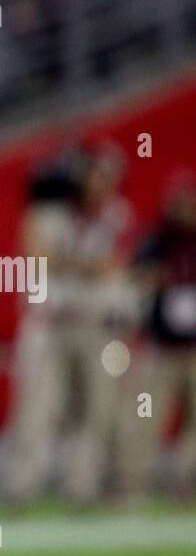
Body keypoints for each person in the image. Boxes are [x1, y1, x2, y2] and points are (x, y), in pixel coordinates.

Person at [0, 144, 133, 508]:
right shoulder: (50, 213)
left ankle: (82, 487)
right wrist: (84, 264)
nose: (100, 183)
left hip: (98, 325)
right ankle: (20, 486)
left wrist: (71, 263)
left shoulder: (118, 215)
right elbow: (40, 256)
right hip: (53, 323)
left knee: (95, 410)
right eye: (95, 174)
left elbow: (115, 264)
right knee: (37, 407)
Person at [116, 177, 196, 501]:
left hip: (194, 350)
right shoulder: (158, 242)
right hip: (161, 350)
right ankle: (133, 486)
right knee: (145, 420)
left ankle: (187, 483)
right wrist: (155, 277)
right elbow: (131, 276)